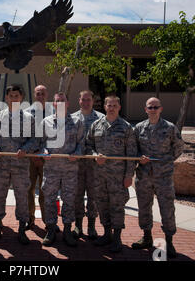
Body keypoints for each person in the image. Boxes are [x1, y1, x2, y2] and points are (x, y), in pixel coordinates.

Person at [132, 97, 184, 258]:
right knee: (144, 207)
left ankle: (169, 242)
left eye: (156, 107)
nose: (153, 109)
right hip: (144, 175)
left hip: (164, 176)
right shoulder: (139, 128)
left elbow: (179, 147)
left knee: (167, 209)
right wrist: (140, 157)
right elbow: (134, 149)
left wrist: (166, 162)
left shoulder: (169, 128)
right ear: (146, 109)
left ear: (161, 109)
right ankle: (147, 237)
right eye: (150, 107)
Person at [0, 84, 38, 245]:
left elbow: (35, 139)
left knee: (22, 197)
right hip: (1, 165)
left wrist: (26, 149)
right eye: (11, 96)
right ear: (7, 98)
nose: (14, 98)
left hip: (21, 166)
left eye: (16, 96)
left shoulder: (29, 118)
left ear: (21, 98)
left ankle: (22, 229)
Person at [86, 95, 137, 252]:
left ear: (119, 107)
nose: (112, 108)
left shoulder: (126, 127)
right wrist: (94, 156)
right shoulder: (96, 125)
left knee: (117, 206)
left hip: (118, 176)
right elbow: (88, 145)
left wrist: (129, 175)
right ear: (105, 107)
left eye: (115, 105)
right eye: (109, 105)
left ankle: (117, 238)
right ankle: (106, 234)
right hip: (100, 175)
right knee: (102, 204)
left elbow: (132, 153)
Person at [41, 92, 84, 247]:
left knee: (69, 201)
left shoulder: (77, 122)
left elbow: (81, 143)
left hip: (70, 170)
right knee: (50, 200)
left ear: (67, 103)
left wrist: (77, 154)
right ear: (53, 104)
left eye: (62, 101)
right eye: (57, 101)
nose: (59, 103)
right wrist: (44, 151)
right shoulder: (46, 122)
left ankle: (67, 230)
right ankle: (51, 229)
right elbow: (40, 143)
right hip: (51, 169)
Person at [71, 90, 104, 239]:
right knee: (77, 195)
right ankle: (78, 225)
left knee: (93, 196)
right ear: (79, 101)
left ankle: (91, 226)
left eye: (88, 100)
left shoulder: (101, 119)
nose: (86, 102)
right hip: (76, 165)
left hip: (94, 166)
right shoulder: (72, 118)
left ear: (93, 101)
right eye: (83, 99)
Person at [23, 84, 52, 230]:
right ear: (34, 95)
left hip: (47, 158)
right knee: (29, 189)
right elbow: (25, 136)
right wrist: (33, 153)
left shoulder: (54, 112)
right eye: (37, 93)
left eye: (43, 93)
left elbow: (55, 136)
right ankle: (30, 218)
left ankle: (48, 221)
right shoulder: (27, 112)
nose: (40, 96)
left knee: (45, 191)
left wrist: (43, 153)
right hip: (30, 158)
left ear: (47, 95)